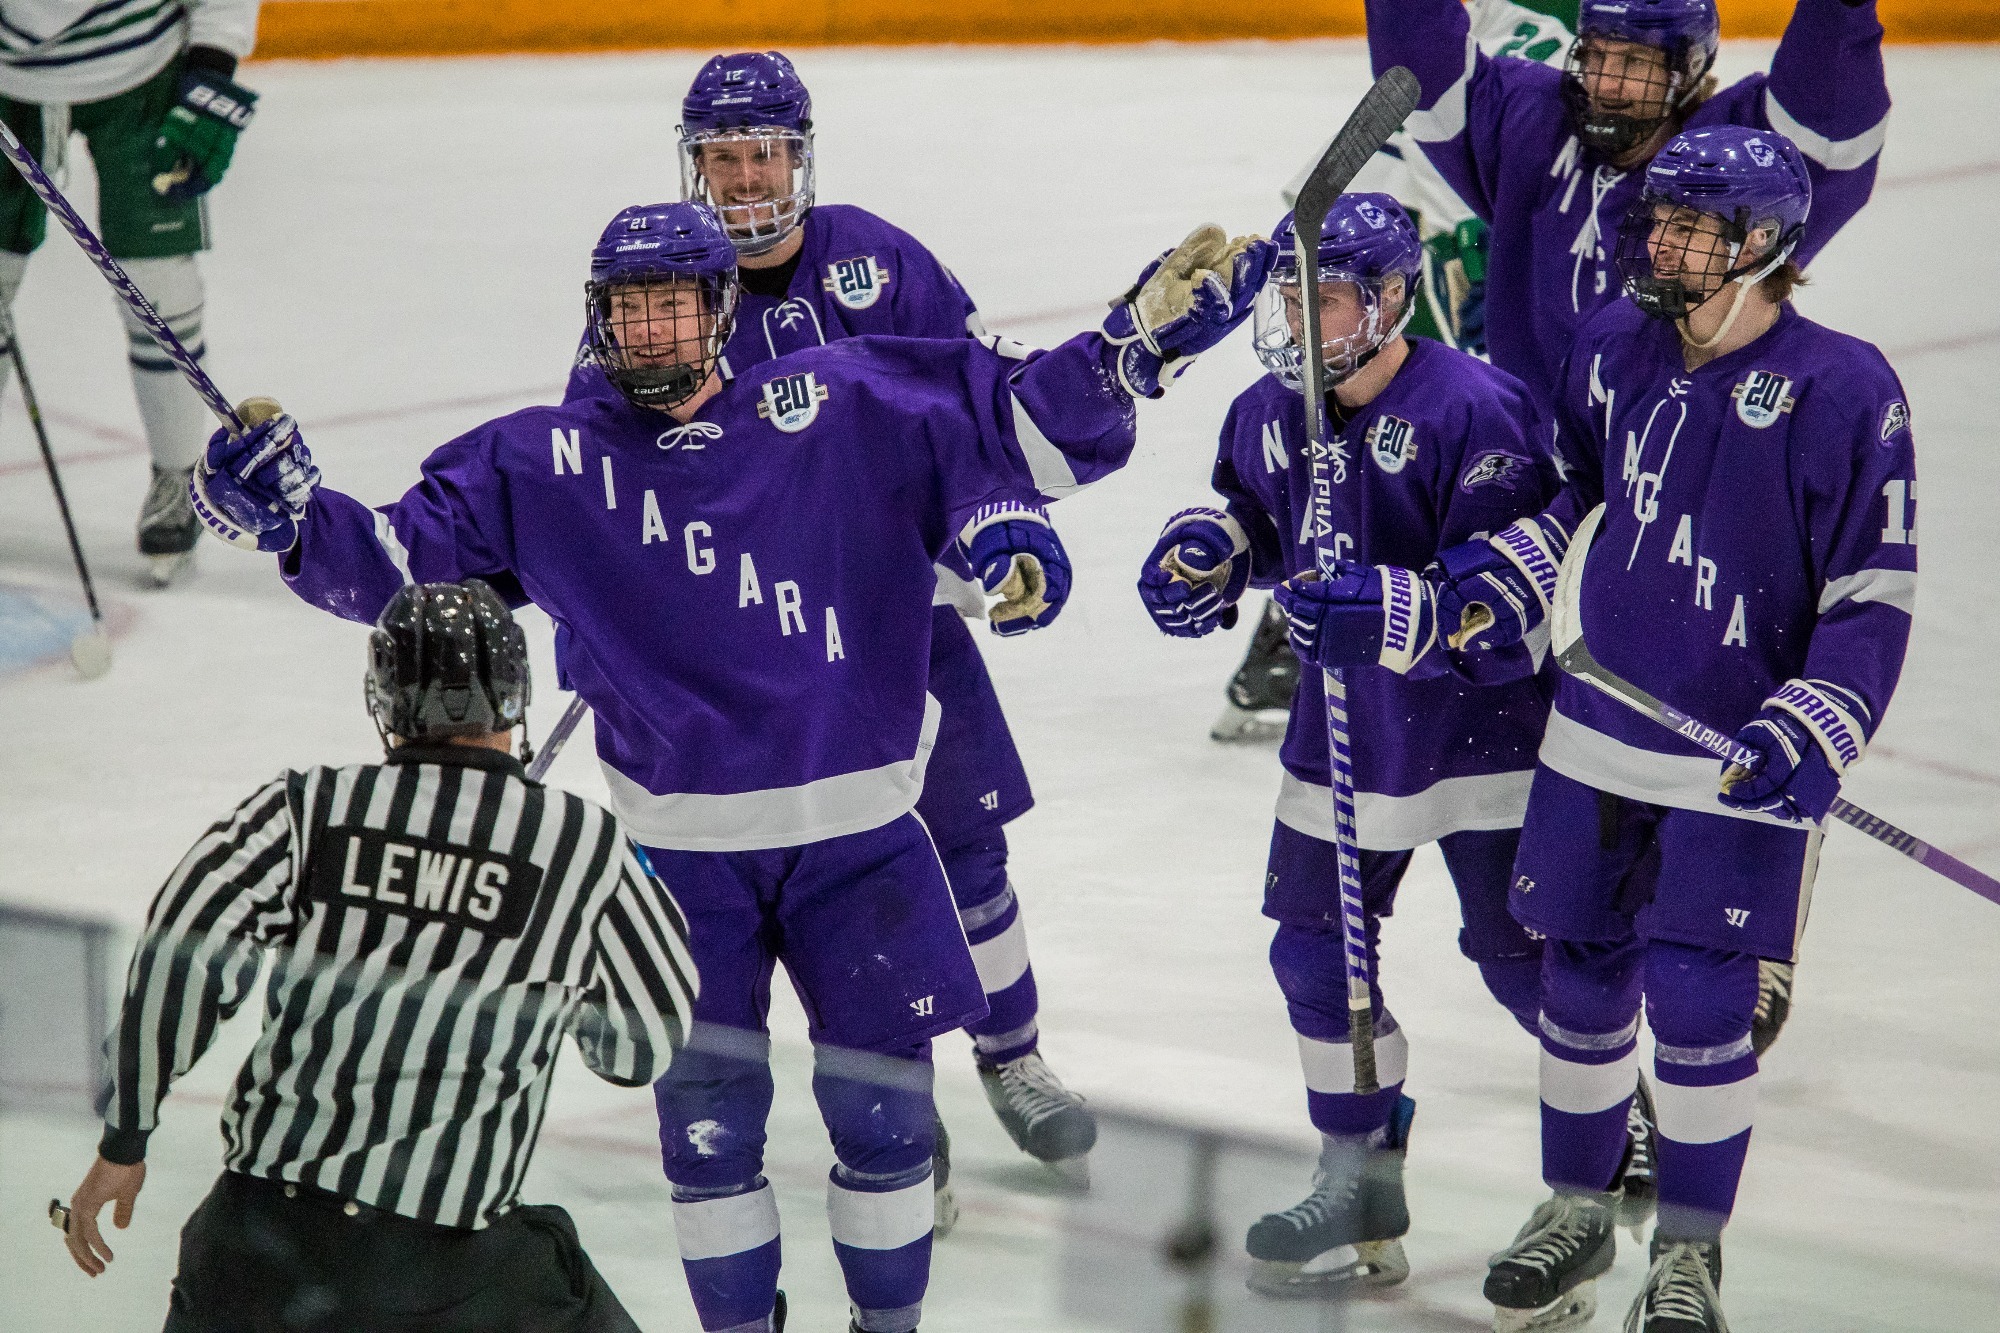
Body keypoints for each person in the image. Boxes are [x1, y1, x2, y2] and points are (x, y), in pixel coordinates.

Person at [187, 199, 1272, 1333]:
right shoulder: (543, 460)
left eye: (672, 305)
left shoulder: (843, 402)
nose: (650, 331)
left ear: (717, 312)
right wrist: (292, 518)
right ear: (598, 320)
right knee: (708, 1143)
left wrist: (1128, 351)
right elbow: (395, 569)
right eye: (628, 309)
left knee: (888, 1127)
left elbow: (1020, 430)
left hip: (861, 845)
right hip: (675, 870)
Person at [568, 51, 1098, 1183]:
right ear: (692, 164)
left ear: (799, 156)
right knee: (832, 889)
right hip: (747, 665)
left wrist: (996, 521)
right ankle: (896, 1111)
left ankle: (1013, 1055)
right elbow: (593, 484)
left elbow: (968, 417)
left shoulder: (875, 259)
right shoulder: (654, 292)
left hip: (895, 627)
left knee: (968, 855)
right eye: (724, 156)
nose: (748, 179)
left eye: (764, 153)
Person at [1417, 125, 1915, 1332]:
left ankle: (1688, 1253)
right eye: (1659, 220)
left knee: (1698, 1006)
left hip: (1731, 765)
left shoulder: (1843, 388)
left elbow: (1871, 592)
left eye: (1696, 227)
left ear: (1766, 247)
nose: (1663, 243)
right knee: (1578, 990)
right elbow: (1566, 498)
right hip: (1591, 736)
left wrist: (1815, 717)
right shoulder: (1608, 347)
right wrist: (1501, 582)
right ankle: (1572, 1208)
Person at [1367, 0, 1889, 1057]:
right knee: (1553, 835)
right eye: (1592, 56)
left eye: (1636, 66)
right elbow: (1425, 67)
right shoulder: (1527, 125)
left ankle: (1751, 909)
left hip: (1706, 503)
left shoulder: (1743, 154)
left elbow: (1832, 119)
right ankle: (1597, 1042)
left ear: (1691, 70)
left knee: (1714, 739)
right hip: (1540, 499)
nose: (1605, 83)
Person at [1137, 194, 1631, 1297]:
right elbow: (1263, 518)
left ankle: (1612, 1132)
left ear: (1393, 298)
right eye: (1289, 295)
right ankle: (1356, 1170)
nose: (1299, 318)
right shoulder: (1269, 409)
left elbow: (1515, 588)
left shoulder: (1474, 405)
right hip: (1341, 734)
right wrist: (1213, 551)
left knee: (1523, 964)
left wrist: (1408, 607)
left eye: (1328, 295)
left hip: (1485, 737)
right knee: (1311, 954)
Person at [55, 579, 698, 1332]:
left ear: (386, 699)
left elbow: (183, 942)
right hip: (451, 1274)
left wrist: (125, 1137)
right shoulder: (584, 846)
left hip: (258, 1249)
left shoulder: (307, 807)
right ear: (515, 695)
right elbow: (641, 1043)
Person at [1213, 0, 1580, 745]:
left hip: (1439, 233)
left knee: (1459, 451)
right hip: (1416, 241)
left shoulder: (1563, 29)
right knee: (1397, 433)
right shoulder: (1532, 26)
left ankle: (1466, 610)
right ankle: (1326, 620)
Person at [0, 0, 262, 584]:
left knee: (159, 290)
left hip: (145, 71)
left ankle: (177, 475)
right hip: (10, 79)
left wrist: (212, 68)